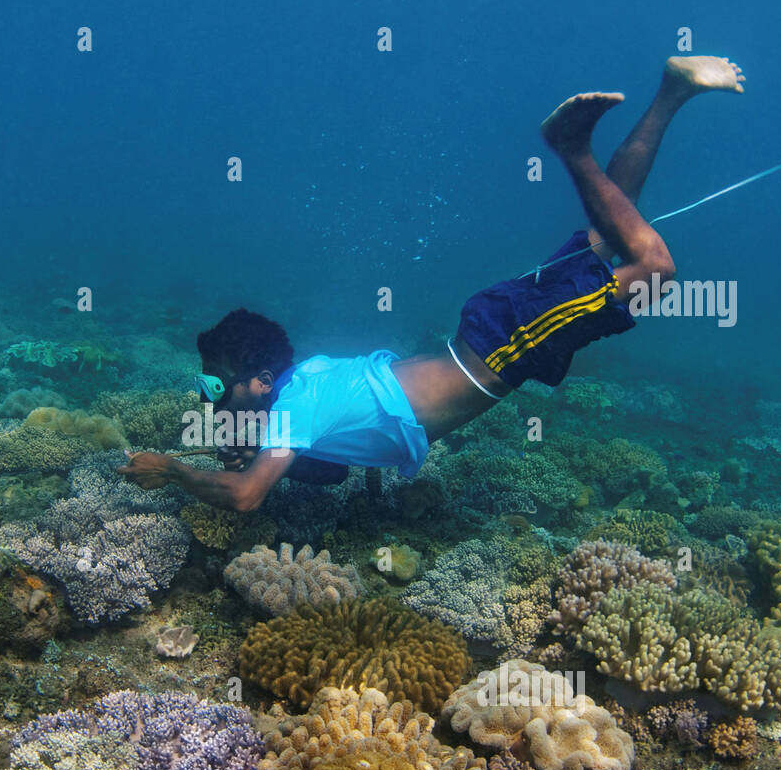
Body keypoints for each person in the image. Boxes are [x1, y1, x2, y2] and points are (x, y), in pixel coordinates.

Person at [118, 56, 745, 511]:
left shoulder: (294, 409)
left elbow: (249, 498)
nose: (208, 399)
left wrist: (173, 470)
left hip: (499, 348)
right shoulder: (306, 378)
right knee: (608, 228)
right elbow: (338, 465)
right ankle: (671, 91)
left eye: (211, 384)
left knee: (654, 271)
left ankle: (568, 146)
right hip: (486, 331)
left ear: (258, 382)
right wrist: (271, 452)